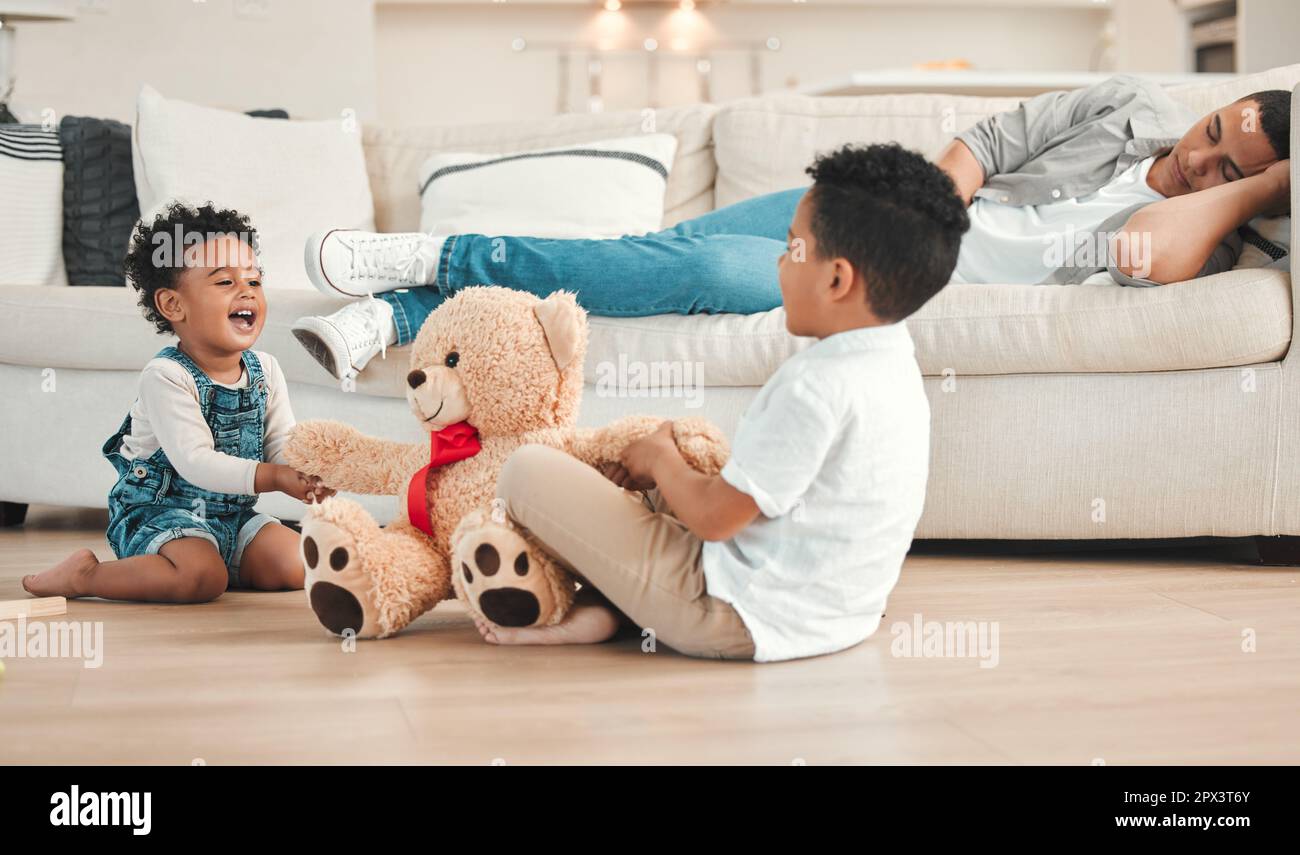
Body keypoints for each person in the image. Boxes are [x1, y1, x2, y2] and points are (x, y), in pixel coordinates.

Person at [290, 77, 1291, 381]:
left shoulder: (1198, 229)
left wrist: (1255, 186)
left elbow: (1151, 255)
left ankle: (432, 274)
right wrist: (931, 205)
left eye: (1229, 171)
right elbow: (987, 139)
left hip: (900, 270)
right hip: (887, 208)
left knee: (701, 274)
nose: (1200, 160)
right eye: (1212, 135)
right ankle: (415, 302)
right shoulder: (1132, 105)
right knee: (662, 261)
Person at [465, 143, 968, 661]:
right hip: (835, 615)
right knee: (676, 461)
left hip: (731, 614)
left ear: (837, 279)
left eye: (792, 248)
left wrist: (660, 458)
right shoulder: (893, 364)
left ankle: (617, 602)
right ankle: (606, 612)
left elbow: (715, 520)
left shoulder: (815, 386)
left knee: (526, 470)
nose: (778, 261)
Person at [24, 203, 332, 603]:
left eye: (254, 281)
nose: (246, 291)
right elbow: (195, 461)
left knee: (296, 564)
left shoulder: (266, 370)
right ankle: (88, 576)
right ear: (173, 305)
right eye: (224, 283)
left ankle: (215, 562)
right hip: (158, 515)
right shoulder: (167, 376)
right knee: (199, 579)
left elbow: (281, 444)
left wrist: (308, 469)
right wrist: (273, 477)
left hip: (230, 517)